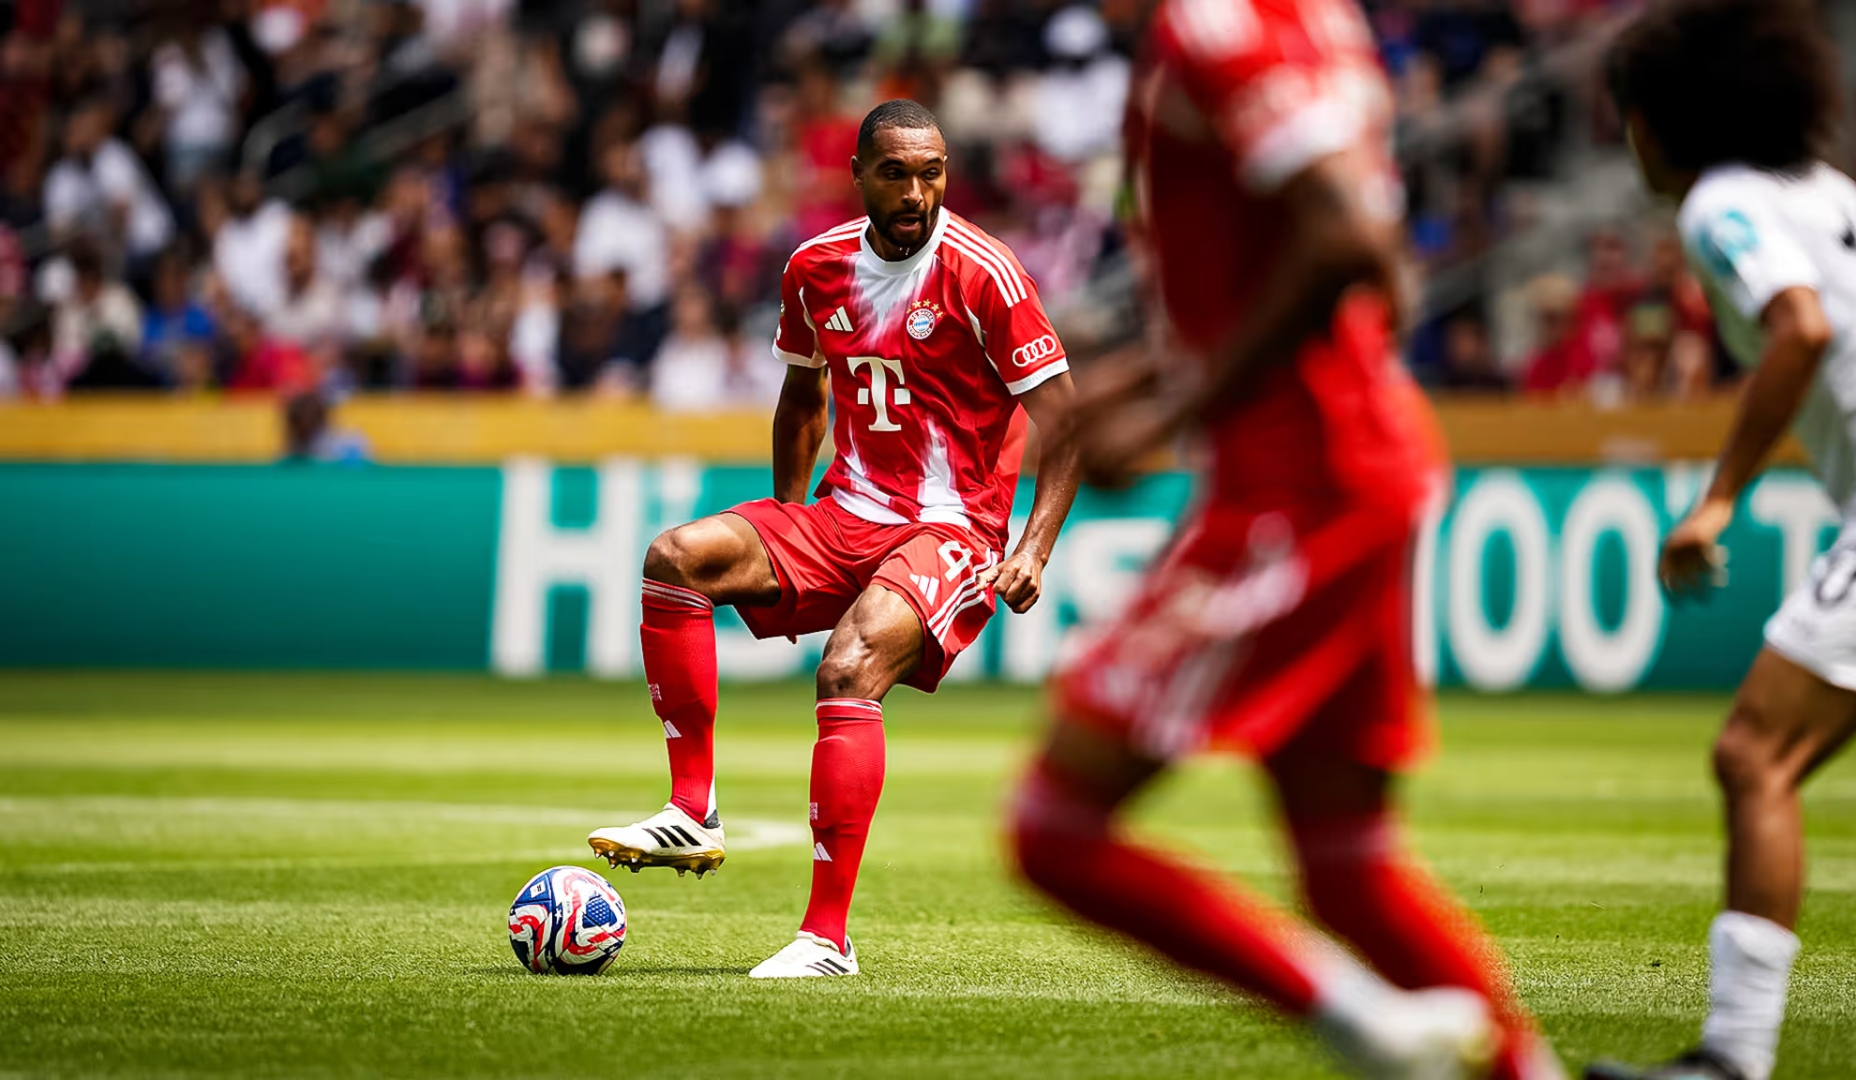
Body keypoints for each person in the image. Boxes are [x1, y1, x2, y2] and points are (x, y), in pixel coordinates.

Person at [1008, 2, 1560, 1079]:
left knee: (1054, 827)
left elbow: (1347, 242)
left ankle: (1368, 1028)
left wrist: (1177, 412)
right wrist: (1159, 374)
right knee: (1347, 866)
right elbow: (1360, 266)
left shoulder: (1216, 27)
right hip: (1361, 461)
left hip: (1297, 491)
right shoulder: (1316, 18)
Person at [587, 100, 1081, 979]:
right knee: (675, 559)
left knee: (848, 669)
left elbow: (1067, 423)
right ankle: (692, 810)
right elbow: (802, 396)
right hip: (847, 511)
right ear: (858, 176)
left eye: (931, 173)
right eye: (896, 174)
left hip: (953, 527)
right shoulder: (815, 267)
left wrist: (1034, 547)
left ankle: (826, 940)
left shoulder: (986, 275)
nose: (916, 193)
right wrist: (783, 524)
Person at [1587, 3, 1856, 1079]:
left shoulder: (1722, 201)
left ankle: (1731, 1060)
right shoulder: (1829, 191)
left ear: (1655, 121)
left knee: (1752, 755)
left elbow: (1802, 324)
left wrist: (1720, 497)